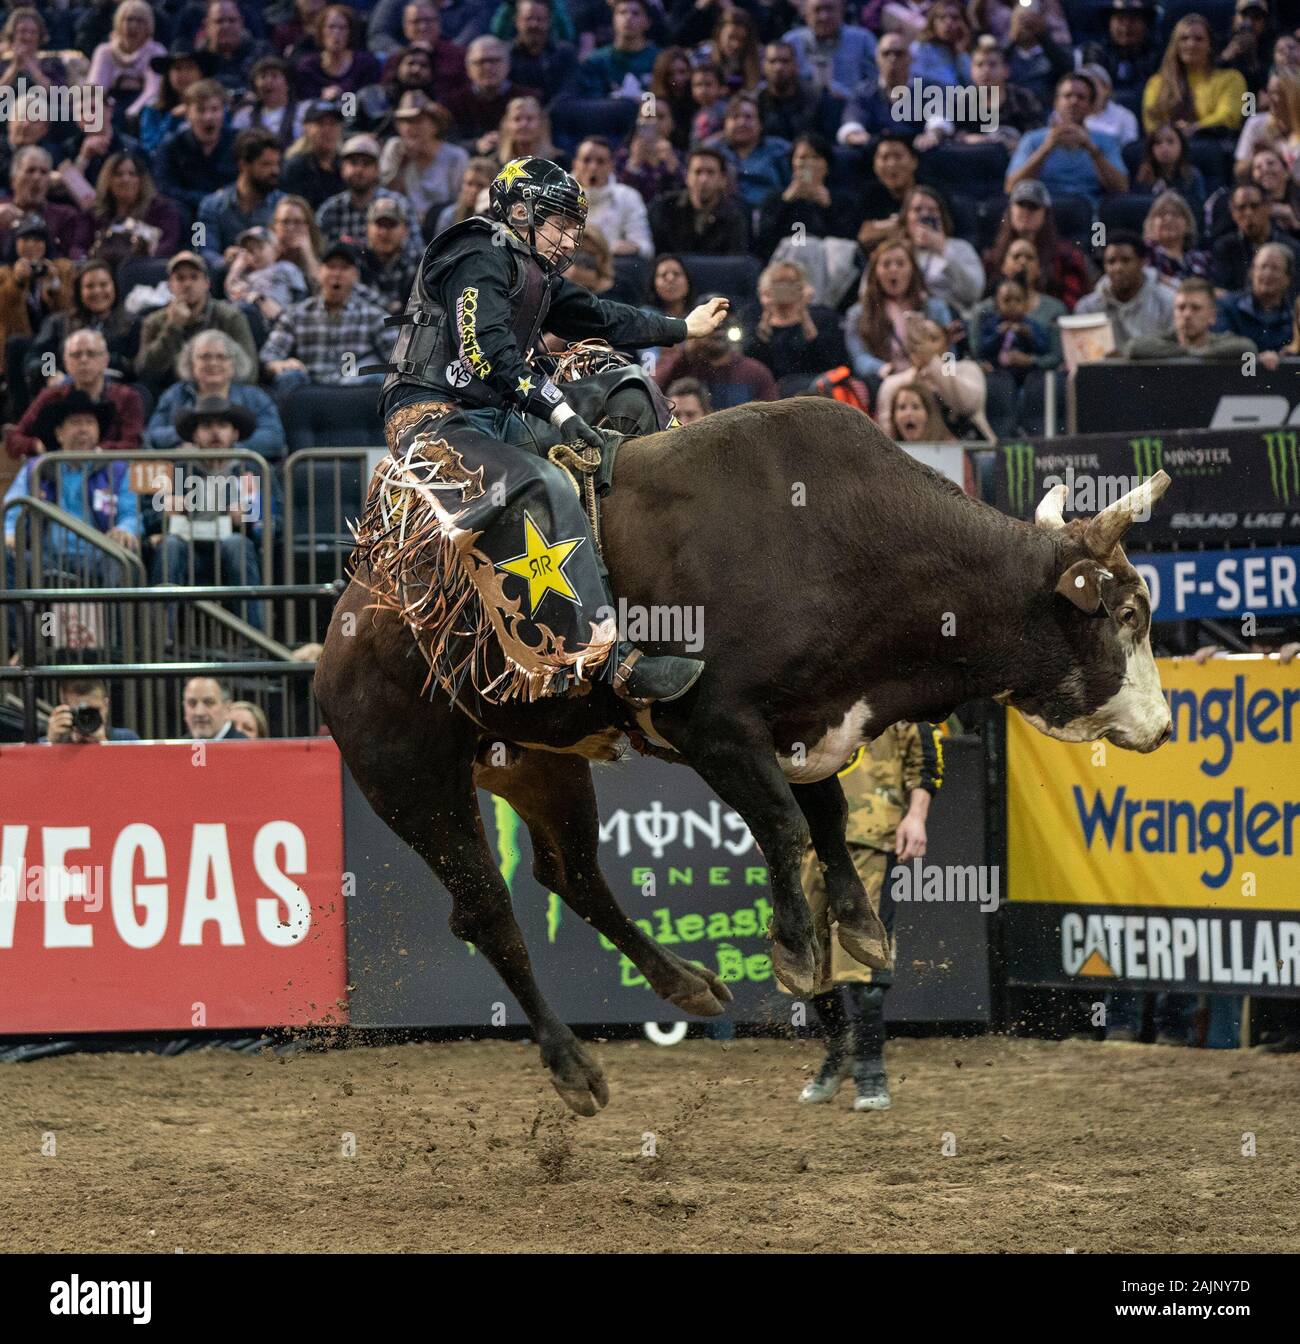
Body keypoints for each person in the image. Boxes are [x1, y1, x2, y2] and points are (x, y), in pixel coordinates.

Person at [372, 155, 730, 705]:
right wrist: (562, 414)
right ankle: (605, 658)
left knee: (628, 389)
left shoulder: (534, 272)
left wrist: (684, 326)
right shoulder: (475, 251)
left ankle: (657, 566)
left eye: (575, 226)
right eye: (559, 222)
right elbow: (488, 357)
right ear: (519, 210)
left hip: (499, 418)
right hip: (430, 420)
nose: (570, 239)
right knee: (544, 483)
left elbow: (604, 317)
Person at [793, 722, 943, 1112]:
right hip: (808, 836)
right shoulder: (809, 681)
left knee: (865, 958)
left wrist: (917, 815)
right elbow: (782, 757)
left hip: (870, 834)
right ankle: (841, 1048)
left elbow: (926, 755)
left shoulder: (898, 686)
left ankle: (871, 1068)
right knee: (808, 960)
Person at [3, 391, 140, 580]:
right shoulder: (37, 468)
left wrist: (126, 529)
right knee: (6, 556)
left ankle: (113, 611)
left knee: (122, 559)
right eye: (76, 422)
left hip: (99, 556)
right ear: (59, 433)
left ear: (98, 431)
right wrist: (9, 534)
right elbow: (14, 507)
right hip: (45, 559)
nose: (83, 429)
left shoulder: (117, 469)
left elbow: (131, 513)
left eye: (90, 423)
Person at [155, 397, 265, 616]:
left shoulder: (251, 468)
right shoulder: (177, 469)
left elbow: (273, 523)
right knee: (169, 545)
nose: (215, 432)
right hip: (187, 547)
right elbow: (148, 517)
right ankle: (160, 640)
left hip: (230, 548)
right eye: (206, 426)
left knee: (237, 544)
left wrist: (250, 519)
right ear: (195, 434)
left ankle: (254, 642)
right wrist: (164, 513)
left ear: (235, 433)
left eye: (222, 426)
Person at [260, 240, 391, 391]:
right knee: (287, 377)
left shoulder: (373, 316)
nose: (336, 274)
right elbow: (269, 354)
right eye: (331, 267)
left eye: (344, 268)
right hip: (310, 392)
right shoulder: (296, 314)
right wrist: (279, 364)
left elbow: (398, 359)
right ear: (319, 272)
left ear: (355, 275)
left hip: (355, 392)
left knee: (379, 378)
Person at [146, 329, 286, 460]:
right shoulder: (175, 394)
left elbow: (273, 438)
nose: (213, 363)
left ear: (233, 363)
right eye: (205, 357)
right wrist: (191, 437)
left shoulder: (254, 396)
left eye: (221, 357)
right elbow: (152, 436)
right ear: (191, 363)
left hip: (240, 473)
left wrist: (227, 448)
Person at [6, 329, 143, 462]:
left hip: (111, 478)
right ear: (66, 363)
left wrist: (95, 452)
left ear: (105, 360)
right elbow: (14, 439)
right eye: (76, 355)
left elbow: (133, 444)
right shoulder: (52, 395)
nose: (84, 360)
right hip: (58, 477)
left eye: (91, 354)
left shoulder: (127, 397)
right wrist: (37, 446)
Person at [21, 263, 138, 410]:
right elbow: (41, 354)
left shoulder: (133, 323)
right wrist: (50, 373)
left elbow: (137, 365)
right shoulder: (59, 322)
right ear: (79, 291)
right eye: (90, 286)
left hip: (114, 393)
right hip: (65, 390)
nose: (98, 291)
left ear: (114, 287)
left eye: (104, 285)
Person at [135, 252, 258, 389]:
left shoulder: (230, 317)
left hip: (224, 393)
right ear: (170, 285)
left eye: (194, 277)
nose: (187, 284)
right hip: (175, 394)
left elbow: (250, 372)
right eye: (180, 278)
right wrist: (173, 327)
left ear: (206, 283)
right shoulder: (154, 321)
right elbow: (145, 372)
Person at [1006, 71, 1129, 207]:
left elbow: (1121, 188)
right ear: (1056, 102)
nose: (1074, 101)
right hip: (1042, 213)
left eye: (1081, 97)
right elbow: (1011, 187)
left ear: (1091, 106)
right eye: (1067, 96)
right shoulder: (1032, 140)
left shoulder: (1106, 141)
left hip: (1090, 214)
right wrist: (1045, 149)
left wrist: (1091, 149)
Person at [843, 236, 952, 383]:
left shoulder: (936, 308)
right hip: (888, 379)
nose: (893, 269)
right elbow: (859, 358)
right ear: (875, 272)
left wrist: (947, 375)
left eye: (900, 264)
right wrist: (882, 368)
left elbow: (950, 355)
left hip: (931, 379)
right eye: (886, 264)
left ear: (912, 270)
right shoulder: (857, 313)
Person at [875, 314, 994, 440]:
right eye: (917, 340)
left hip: (966, 452)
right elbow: (886, 434)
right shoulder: (893, 383)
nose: (923, 345)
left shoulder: (966, 369)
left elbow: (966, 405)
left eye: (932, 339)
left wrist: (932, 362)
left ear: (946, 344)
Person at [984, 179, 1092, 311]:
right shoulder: (992, 258)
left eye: (1033, 206)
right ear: (1010, 210)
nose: (1026, 211)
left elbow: (1072, 305)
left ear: (1045, 214)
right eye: (1021, 204)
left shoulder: (1067, 257)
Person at [318, 134, 425, 265]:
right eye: (353, 163)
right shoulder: (331, 209)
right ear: (342, 168)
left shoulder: (398, 204)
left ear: (377, 169)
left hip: (395, 277)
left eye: (366, 164)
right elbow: (320, 254)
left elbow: (417, 252)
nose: (359, 170)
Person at [653, 296, 777, 408]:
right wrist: (685, 351)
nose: (719, 327)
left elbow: (771, 417)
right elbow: (652, 390)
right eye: (712, 320)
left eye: (724, 319)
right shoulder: (680, 366)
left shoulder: (754, 372)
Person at [742, 257, 846, 387]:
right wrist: (766, 319)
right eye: (778, 284)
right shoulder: (752, 316)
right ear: (765, 290)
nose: (785, 290)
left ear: (803, 287)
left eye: (791, 283)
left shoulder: (824, 317)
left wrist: (805, 317)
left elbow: (835, 365)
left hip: (814, 391)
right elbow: (747, 361)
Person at [1142, 13, 1247, 137]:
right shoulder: (1157, 83)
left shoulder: (1232, 79)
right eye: (1184, 38)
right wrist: (1174, 133)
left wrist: (1194, 128)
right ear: (1175, 45)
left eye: (1199, 39)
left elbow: (1229, 117)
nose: (1191, 44)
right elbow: (1151, 122)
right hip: (1165, 149)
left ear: (1210, 46)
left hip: (1212, 147)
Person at [196, 127, 285, 269]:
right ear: (243, 165)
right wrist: (225, 260)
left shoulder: (284, 206)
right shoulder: (209, 205)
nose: (275, 171)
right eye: (266, 164)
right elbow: (200, 247)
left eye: (276, 164)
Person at [756, 132, 857, 255]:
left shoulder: (842, 200)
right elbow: (763, 241)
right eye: (802, 158)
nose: (809, 164)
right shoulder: (775, 198)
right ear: (792, 163)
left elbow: (849, 242)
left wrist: (827, 206)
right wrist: (786, 202)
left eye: (815, 157)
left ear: (827, 165)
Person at [153, 79, 238, 218]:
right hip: (188, 214)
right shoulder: (171, 146)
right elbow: (165, 188)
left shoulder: (238, 142)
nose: (208, 117)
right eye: (201, 110)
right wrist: (207, 200)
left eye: (214, 110)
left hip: (229, 213)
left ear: (224, 111)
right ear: (188, 114)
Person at [379, 92, 468, 223]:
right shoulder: (395, 148)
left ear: (435, 124)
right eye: (403, 121)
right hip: (404, 223)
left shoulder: (455, 157)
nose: (409, 127)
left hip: (443, 225)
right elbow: (385, 195)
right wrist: (401, 165)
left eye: (417, 120)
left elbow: (459, 203)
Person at [1075, 230, 1175, 346]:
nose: (1118, 268)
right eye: (1111, 262)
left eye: (1126, 260)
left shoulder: (1168, 302)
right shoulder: (1087, 308)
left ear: (1142, 263)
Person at [1123, 275, 1257, 360]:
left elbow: (1247, 347)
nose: (1187, 315)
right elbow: (1133, 347)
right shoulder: (1165, 339)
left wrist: (1193, 354)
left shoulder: (1221, 341)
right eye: (1181, 308)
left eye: (1196, 308)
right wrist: (1191, 352)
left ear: (1212, 316)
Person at [899, 185, 984, 317]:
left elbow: (973, 293)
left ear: (942, 216)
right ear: (906, 217)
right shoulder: (896, 250)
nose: (925, 215)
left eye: (932, 210)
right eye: (917, 209)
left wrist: (943, 250)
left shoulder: (960, 248)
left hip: (950, 320)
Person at [86, 151, 183, 267]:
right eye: (118, 174)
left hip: (147, 270)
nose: (125, 179)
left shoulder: (162, 209)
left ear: (142, 179)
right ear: (107, 180)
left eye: (132, 174)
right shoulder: (94, 213)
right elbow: (79, 245)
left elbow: (168, 244)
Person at [648, 146, 750, 255]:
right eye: (698, 172)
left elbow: (737, 262)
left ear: (723, 179)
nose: (703, 180)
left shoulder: (735, 214)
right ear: (687, 177)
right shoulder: (665, 207)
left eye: (710, 172)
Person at [0, 147, 92, 261]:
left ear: (49, 181)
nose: (37, 177)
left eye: (43, 172)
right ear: (13, 179)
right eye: (30, 170)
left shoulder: (66, 216)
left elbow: (77, 257)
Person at [705, 93, 791, 213]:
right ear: (725, 124)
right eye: (735, 117)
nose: (741, 122)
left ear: (761, 124)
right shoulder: (712, 150)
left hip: (771, 216)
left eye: (748, 117)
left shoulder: (779, 149)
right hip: (725, 218)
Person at [1210, 181, 1300, 295]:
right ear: (1233, 213)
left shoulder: (1292, 248)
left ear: (1268, 207)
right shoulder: (1224, 247)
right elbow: (1219, 291)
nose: (1248, 213)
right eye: (1241, 207)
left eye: (1254, 206)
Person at [572, 137, 652, 260]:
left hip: (612, 267)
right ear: (575, 164)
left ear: (611, 166)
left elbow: (646, 248)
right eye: (587, 160)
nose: (593, 167)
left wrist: (633, 247)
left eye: (600, 161)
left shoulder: (629, 197)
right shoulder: (560, 194)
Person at [780, 0, 877, 101]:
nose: (824, 16)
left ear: (841, 11)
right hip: (803, 110)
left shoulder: (863, 39)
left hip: (853, 108)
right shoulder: (792, 42)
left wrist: (849, 95)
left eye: (829, 9)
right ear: (805, 13)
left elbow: (874, 79)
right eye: (817, 10)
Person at [86, 0, 166, 123]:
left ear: (149, 26)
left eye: (140, 21)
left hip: (142, 110)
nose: (133, 26)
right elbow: (95, 86)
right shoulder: (104, 51)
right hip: (110, 106)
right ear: (118, 23)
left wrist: (132, 112)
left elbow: (153, 90)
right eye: (128, 20)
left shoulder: (156, 52)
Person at [1214, 242, 1295, 354]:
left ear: (1287, 278)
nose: (1267, 273)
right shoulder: (1227, 307)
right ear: (1252, 273)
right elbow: (1218, 345)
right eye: (1263, 267)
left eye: (1275, 268)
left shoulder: (1294, 316)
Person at [756, 39, 840, 143]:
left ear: (795, 65)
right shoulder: (756, 101)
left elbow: (828, 141)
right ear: (763, 66)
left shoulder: (818, 99)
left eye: (785, 61)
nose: (778, 68)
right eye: (772, 61)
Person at [223, 226, 310, 325]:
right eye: (250, 250)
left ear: (276, 249)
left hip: (280, 316)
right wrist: (237, 267)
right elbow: (231, 290)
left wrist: (290, 317)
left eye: (260, 247)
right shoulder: (247, 276)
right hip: (253, 316)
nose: (255, 253)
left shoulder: (286, 267)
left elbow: (300, 294)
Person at [139, 47, 217, 155]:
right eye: (177, 68)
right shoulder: (152, 109)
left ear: (201, 73)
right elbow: (150, 149)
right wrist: (171, 119)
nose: (184, 74)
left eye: (190, 68)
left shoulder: (215, 107)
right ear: (168, 75)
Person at [294, 4, 380, 100]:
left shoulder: (366, 64)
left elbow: (369, 101)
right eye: (331, 27)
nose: (336, 33)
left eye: (342, 28)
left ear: (350, 32)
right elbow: (304, 105)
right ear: (320, 31)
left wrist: (342, 94)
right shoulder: (308, 67)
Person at [577, 0, 659, 98]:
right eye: (622, 12)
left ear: (647, 22)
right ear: (613, 19)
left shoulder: (659, 59)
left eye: (635, 13)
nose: (628, 18)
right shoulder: (595, 60)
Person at [853, 134, 919, 256]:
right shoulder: (869, 194)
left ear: (914, 162)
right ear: (874, 165)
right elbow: (863, 236)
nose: (891, 164)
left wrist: (882, 228)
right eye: (884, 157)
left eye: (898, 157)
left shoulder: (929, 192)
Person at [1081, 0, 1161, 101]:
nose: (1126, 27)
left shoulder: (1156, 54)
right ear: (1109, 23)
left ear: (1145, 23)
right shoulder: (1095, 52)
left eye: (1134, 19)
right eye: (1120, 19)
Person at [614, 96, 683, 205]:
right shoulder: (623, 156)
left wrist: (673, 165)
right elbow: (615, 197)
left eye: (660, 117)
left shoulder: (680, 157)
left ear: (672, 123)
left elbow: (686, 195)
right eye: (648, 116)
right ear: (638, 122)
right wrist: (633, 165)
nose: (654, 123)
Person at [1133, 123, 1207, 222]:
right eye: (1158, 143)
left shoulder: (1192, 175)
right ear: (1151, 149)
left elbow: (1198, 209)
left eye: (1170, 142)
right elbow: (1137, 209)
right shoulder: (1143, 176)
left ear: (1181, 146)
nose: (1164, 148)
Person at [280, 100, 346, 208]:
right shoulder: (295, 167)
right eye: (320, 124)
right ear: (306, 128)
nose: (327, 130)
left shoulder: (344, 166)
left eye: (333, 124)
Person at [508, 0, 575, 106]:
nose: (534, 24)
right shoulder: (507, 56)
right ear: (517, 21)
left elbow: (569, 91)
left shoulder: (565, 54)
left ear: (549, 21)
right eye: (528, 19)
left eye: (540, 19)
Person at [359, 198, 420, 315]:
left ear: (405, 230)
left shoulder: (418, 262)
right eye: (379, 225)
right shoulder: (355, 260)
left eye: (391, 225)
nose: (384, 233)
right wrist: (388, 305)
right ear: (367, 228)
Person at [231, 55, 305, 150]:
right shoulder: (244, 116)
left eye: (274, 76)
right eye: (263, 77)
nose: (268, 81)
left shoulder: (303, 112)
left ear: (287, 84)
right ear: (255, 86)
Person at [1142, 191, 1211, 288]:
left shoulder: (1201, 259)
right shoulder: (1143, 253)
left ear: (1187, 224)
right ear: (1151, 224)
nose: (1169, 218)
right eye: (1162, 214)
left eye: (1176, 214)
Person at [44, 678, 141, 744]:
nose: (86, 717)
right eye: (78, 712)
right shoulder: (53, 741)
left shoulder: (125, 740)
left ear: (106, 705)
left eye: (93, 710)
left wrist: (103, 743)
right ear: (64, 709)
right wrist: (50, 743)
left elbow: (135, 773)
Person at [909, 0, 971, 88]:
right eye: (942, 17)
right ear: (933, 22)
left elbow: (971, 84)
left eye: (955, 18)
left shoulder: (963, 52)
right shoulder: (921, 48)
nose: (948, 22)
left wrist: (961, 54)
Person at [182, 676, 250, 739]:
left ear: (227, 708)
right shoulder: (178, 747)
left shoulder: (245, 748)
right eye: (192, 703)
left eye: (209, 702)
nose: (199, 712)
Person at [886, 381, 951, 442]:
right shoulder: (885, 450)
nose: (908, 413)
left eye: (915, 407)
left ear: (929, 413)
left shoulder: (950, 447)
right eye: (902, 407)